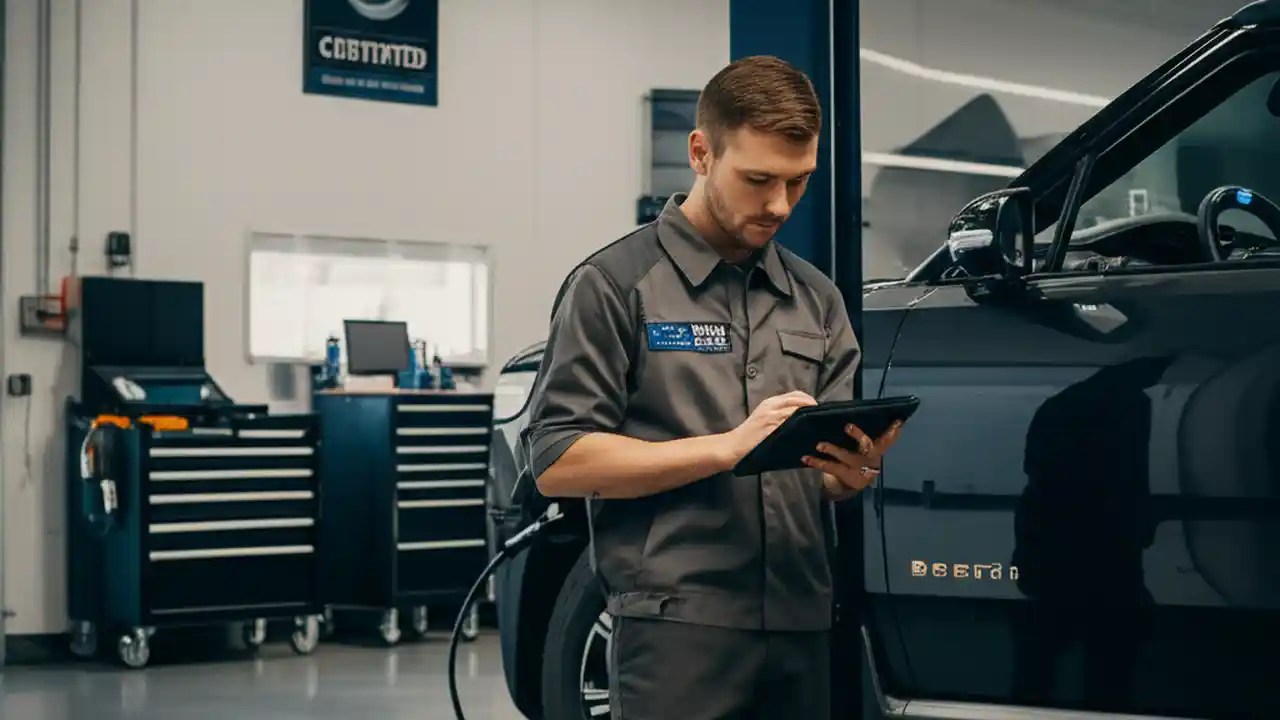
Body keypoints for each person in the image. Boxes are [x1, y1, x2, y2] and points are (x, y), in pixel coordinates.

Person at [522, 55, 902, 719]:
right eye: (757, 179)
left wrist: (849, 473)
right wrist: (725, 449)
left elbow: (824, 475)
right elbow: (558, 461)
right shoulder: (614, 286)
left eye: (798, 181)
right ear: (701, 153)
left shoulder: (817, 300)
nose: (780, 204)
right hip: (676, 629)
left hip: (801, 622)